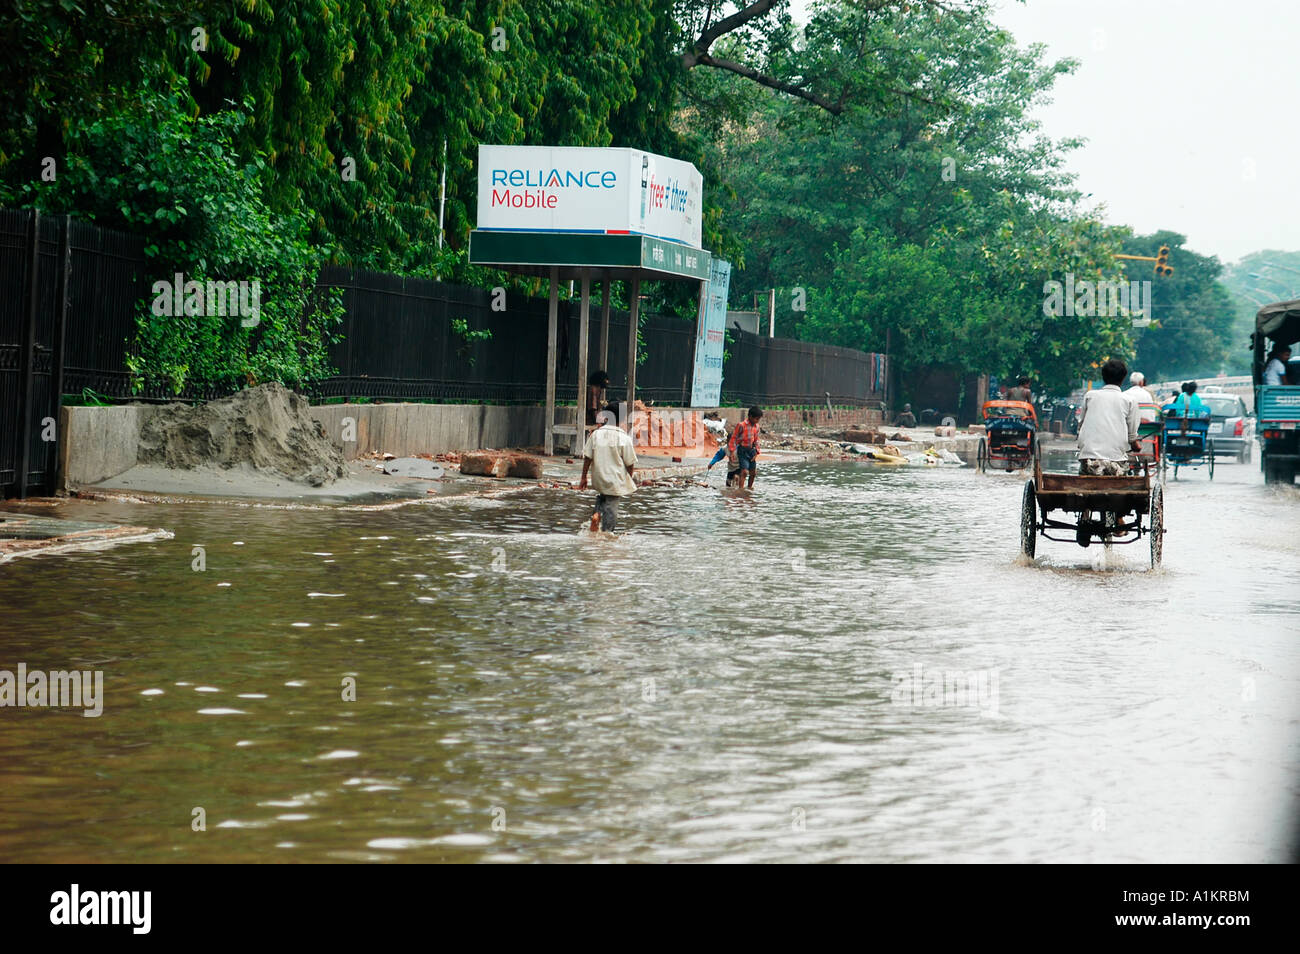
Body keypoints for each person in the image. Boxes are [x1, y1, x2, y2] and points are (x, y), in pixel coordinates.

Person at [1076, 358, 1140, 476]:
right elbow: (1132, 436)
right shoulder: (1129, 400)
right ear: (1123, 378)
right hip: (1116, 461)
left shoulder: (1090, 396)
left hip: (1088, 460)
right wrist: (1135, 445)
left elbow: (1081, 426)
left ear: (1103, 376)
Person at [578, 408, 637, 532]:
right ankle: (607, 535)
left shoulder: (596, 434)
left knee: (602, 496)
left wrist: (583, 477)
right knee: (611, 510)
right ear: (622, 420)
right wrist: (628, 478)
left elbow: (587, 458)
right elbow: (630, 463)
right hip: (615, 480)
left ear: (606, 418)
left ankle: (597, 514)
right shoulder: (624, 438)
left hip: (598, 477)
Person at [729, 406, 763, 489]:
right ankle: (741, 490)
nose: (757, 421)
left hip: (751, 450)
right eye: (756, 419)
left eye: (758, 419)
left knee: (753, 473)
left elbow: (756, 440)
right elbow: (733, 438)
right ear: (750, 416)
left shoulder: (757, 427)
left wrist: (757, 452)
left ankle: (749, 489)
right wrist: (732, 451)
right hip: (742, 450)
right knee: (744, 471)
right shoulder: (741, 425)